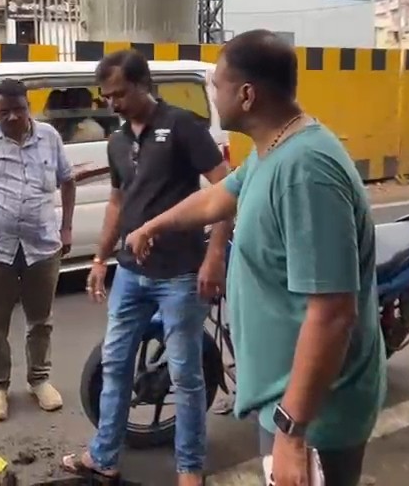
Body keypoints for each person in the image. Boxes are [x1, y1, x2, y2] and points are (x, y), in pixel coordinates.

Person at [125, 30, 385, 486]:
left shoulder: (305, 171)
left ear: (246, 95)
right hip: (288, 403)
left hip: (314, 416)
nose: (213, 95)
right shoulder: (272, 151)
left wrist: (292, 429)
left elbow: (333, 314)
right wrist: (152, 226)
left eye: (217, 86)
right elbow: (215, 200)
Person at [62, 49, 232, 486]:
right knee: (116, 364)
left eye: (119, 94)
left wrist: (215, 255)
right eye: (107, 97)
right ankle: (104, 456)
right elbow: (118, 203)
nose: (112, 103)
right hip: (131, 274)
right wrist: (100, 258)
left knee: (186, 375)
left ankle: (190, 469)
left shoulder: (183, 127)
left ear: (143, 85)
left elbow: (226, 189)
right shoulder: (117, 139)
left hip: (179, 273)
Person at [0, 78, 76, 422]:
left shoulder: (50, 137)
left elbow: (68, 182)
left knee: (40, 320)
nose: (11, 117)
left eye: (18, 109)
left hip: (42, 245)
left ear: (29, 107)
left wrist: (67, 227)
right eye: (2, 111)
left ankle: (39, 380)